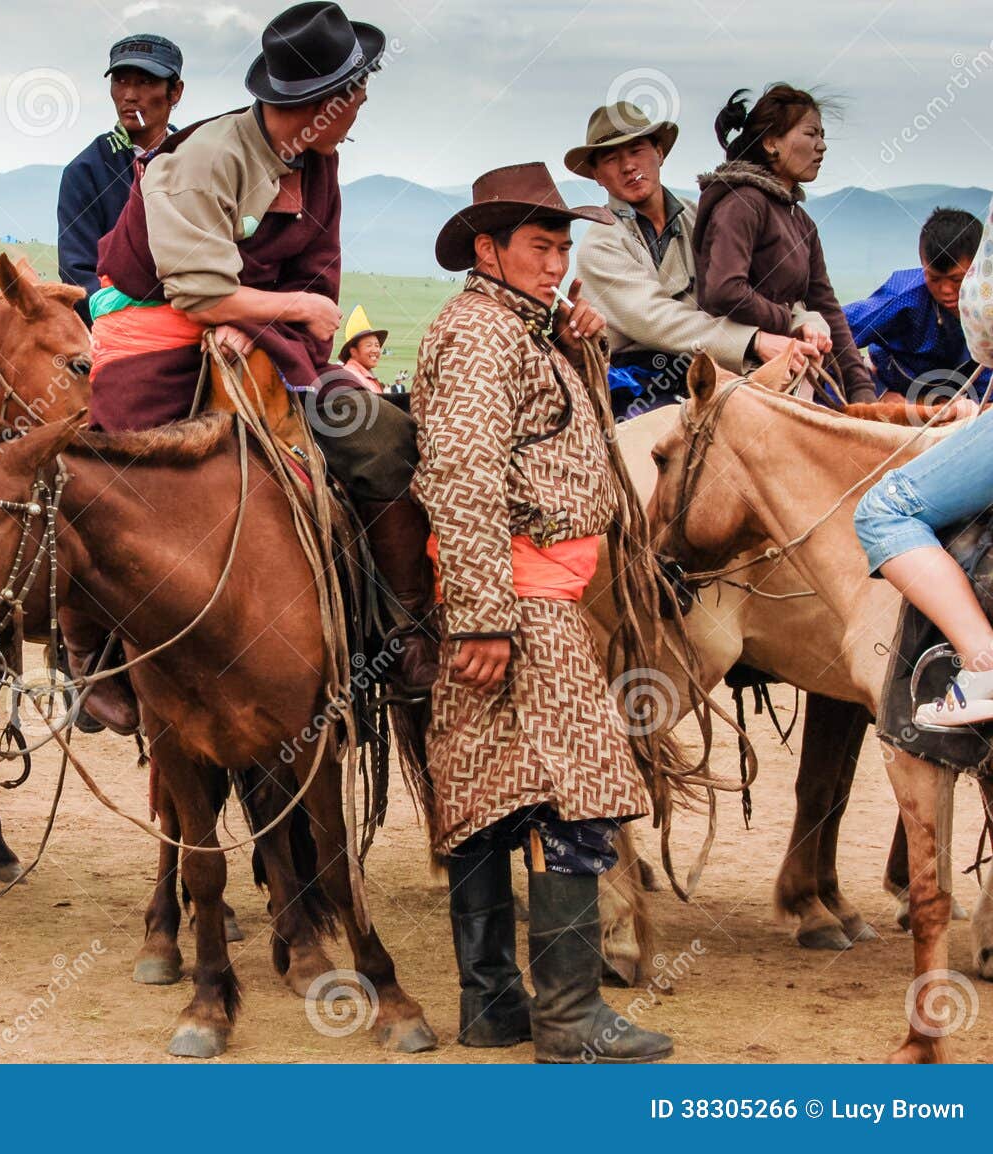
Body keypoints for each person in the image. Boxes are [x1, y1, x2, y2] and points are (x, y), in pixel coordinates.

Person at [81, 1, 437, 725]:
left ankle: (404, 633)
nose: (363, 103)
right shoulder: (202, 159)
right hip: (157, 334)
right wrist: (269, 312)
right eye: (357, 91)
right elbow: (197, 289)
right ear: (323, 102)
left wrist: (265, 321)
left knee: (383, 439)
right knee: (111, 478)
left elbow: (320, 280)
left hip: (270, 341)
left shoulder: (321, 163)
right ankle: (99, 658)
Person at [415, 162, 673, 1063]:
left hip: (521, 595)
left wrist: (578, 348)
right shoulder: (484, 339)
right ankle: (569, 1019)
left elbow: (552, 438)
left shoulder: (517, 332)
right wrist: (484, 615)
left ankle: (493, 1008)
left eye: (564, 246)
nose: (556, 262)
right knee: (582, 799)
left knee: (490, 800)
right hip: (521, 601)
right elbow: (463, 473)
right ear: (487, 250)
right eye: (539, 245)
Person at [568, 101, 817, 417]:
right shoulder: (601, 243)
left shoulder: (701, 215)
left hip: (717, 363)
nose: (628, 165)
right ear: (597, 176)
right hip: (640, 382)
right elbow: (657, 319)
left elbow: (761, 281)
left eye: (636, 150)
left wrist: (801, 320)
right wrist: (753, 340)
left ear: (659, 152)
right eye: (612, 159)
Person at [855, 191, 993, 727]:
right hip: (910, 406)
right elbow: (847, 330)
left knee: (882, 509)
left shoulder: (974, 291)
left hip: (964, 410)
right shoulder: (902, 297)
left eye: (961, 280)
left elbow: (985, 324)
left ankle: (982, 664)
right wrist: (877, 400)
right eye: (939, 281)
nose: (950, 292)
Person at [694, 84, 877, 405]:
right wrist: (792, 322)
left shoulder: (801, 221)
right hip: (739, 372)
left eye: (823, 136)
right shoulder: (742, 203)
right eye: (811, 134)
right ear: (771, 143)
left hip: (788, 368)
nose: (821, 146)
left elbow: (826, 308)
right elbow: (723, 289)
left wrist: (861, 390)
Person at [56, 33, 183, 326]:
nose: (129, 95)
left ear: (174, 92)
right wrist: (125, 317)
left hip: (196, 315)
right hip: (116, 325)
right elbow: (77, 271)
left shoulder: (198, 159)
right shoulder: (86, 170)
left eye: (145, 82)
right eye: (121, 81)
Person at [844, 207, 989, 400]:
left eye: (956, 280)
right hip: (895, 388)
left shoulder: (988, 301)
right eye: (935, 279)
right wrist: (874, 390)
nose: (945, 290)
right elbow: (838, 329)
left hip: (971, 398)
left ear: (977, 267)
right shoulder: (904, 295)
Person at [336, 304, 386, 392]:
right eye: (369, 345)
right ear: (353, 352)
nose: (375, 350)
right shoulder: (352, 377)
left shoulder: (365, 376)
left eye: (377, 345)